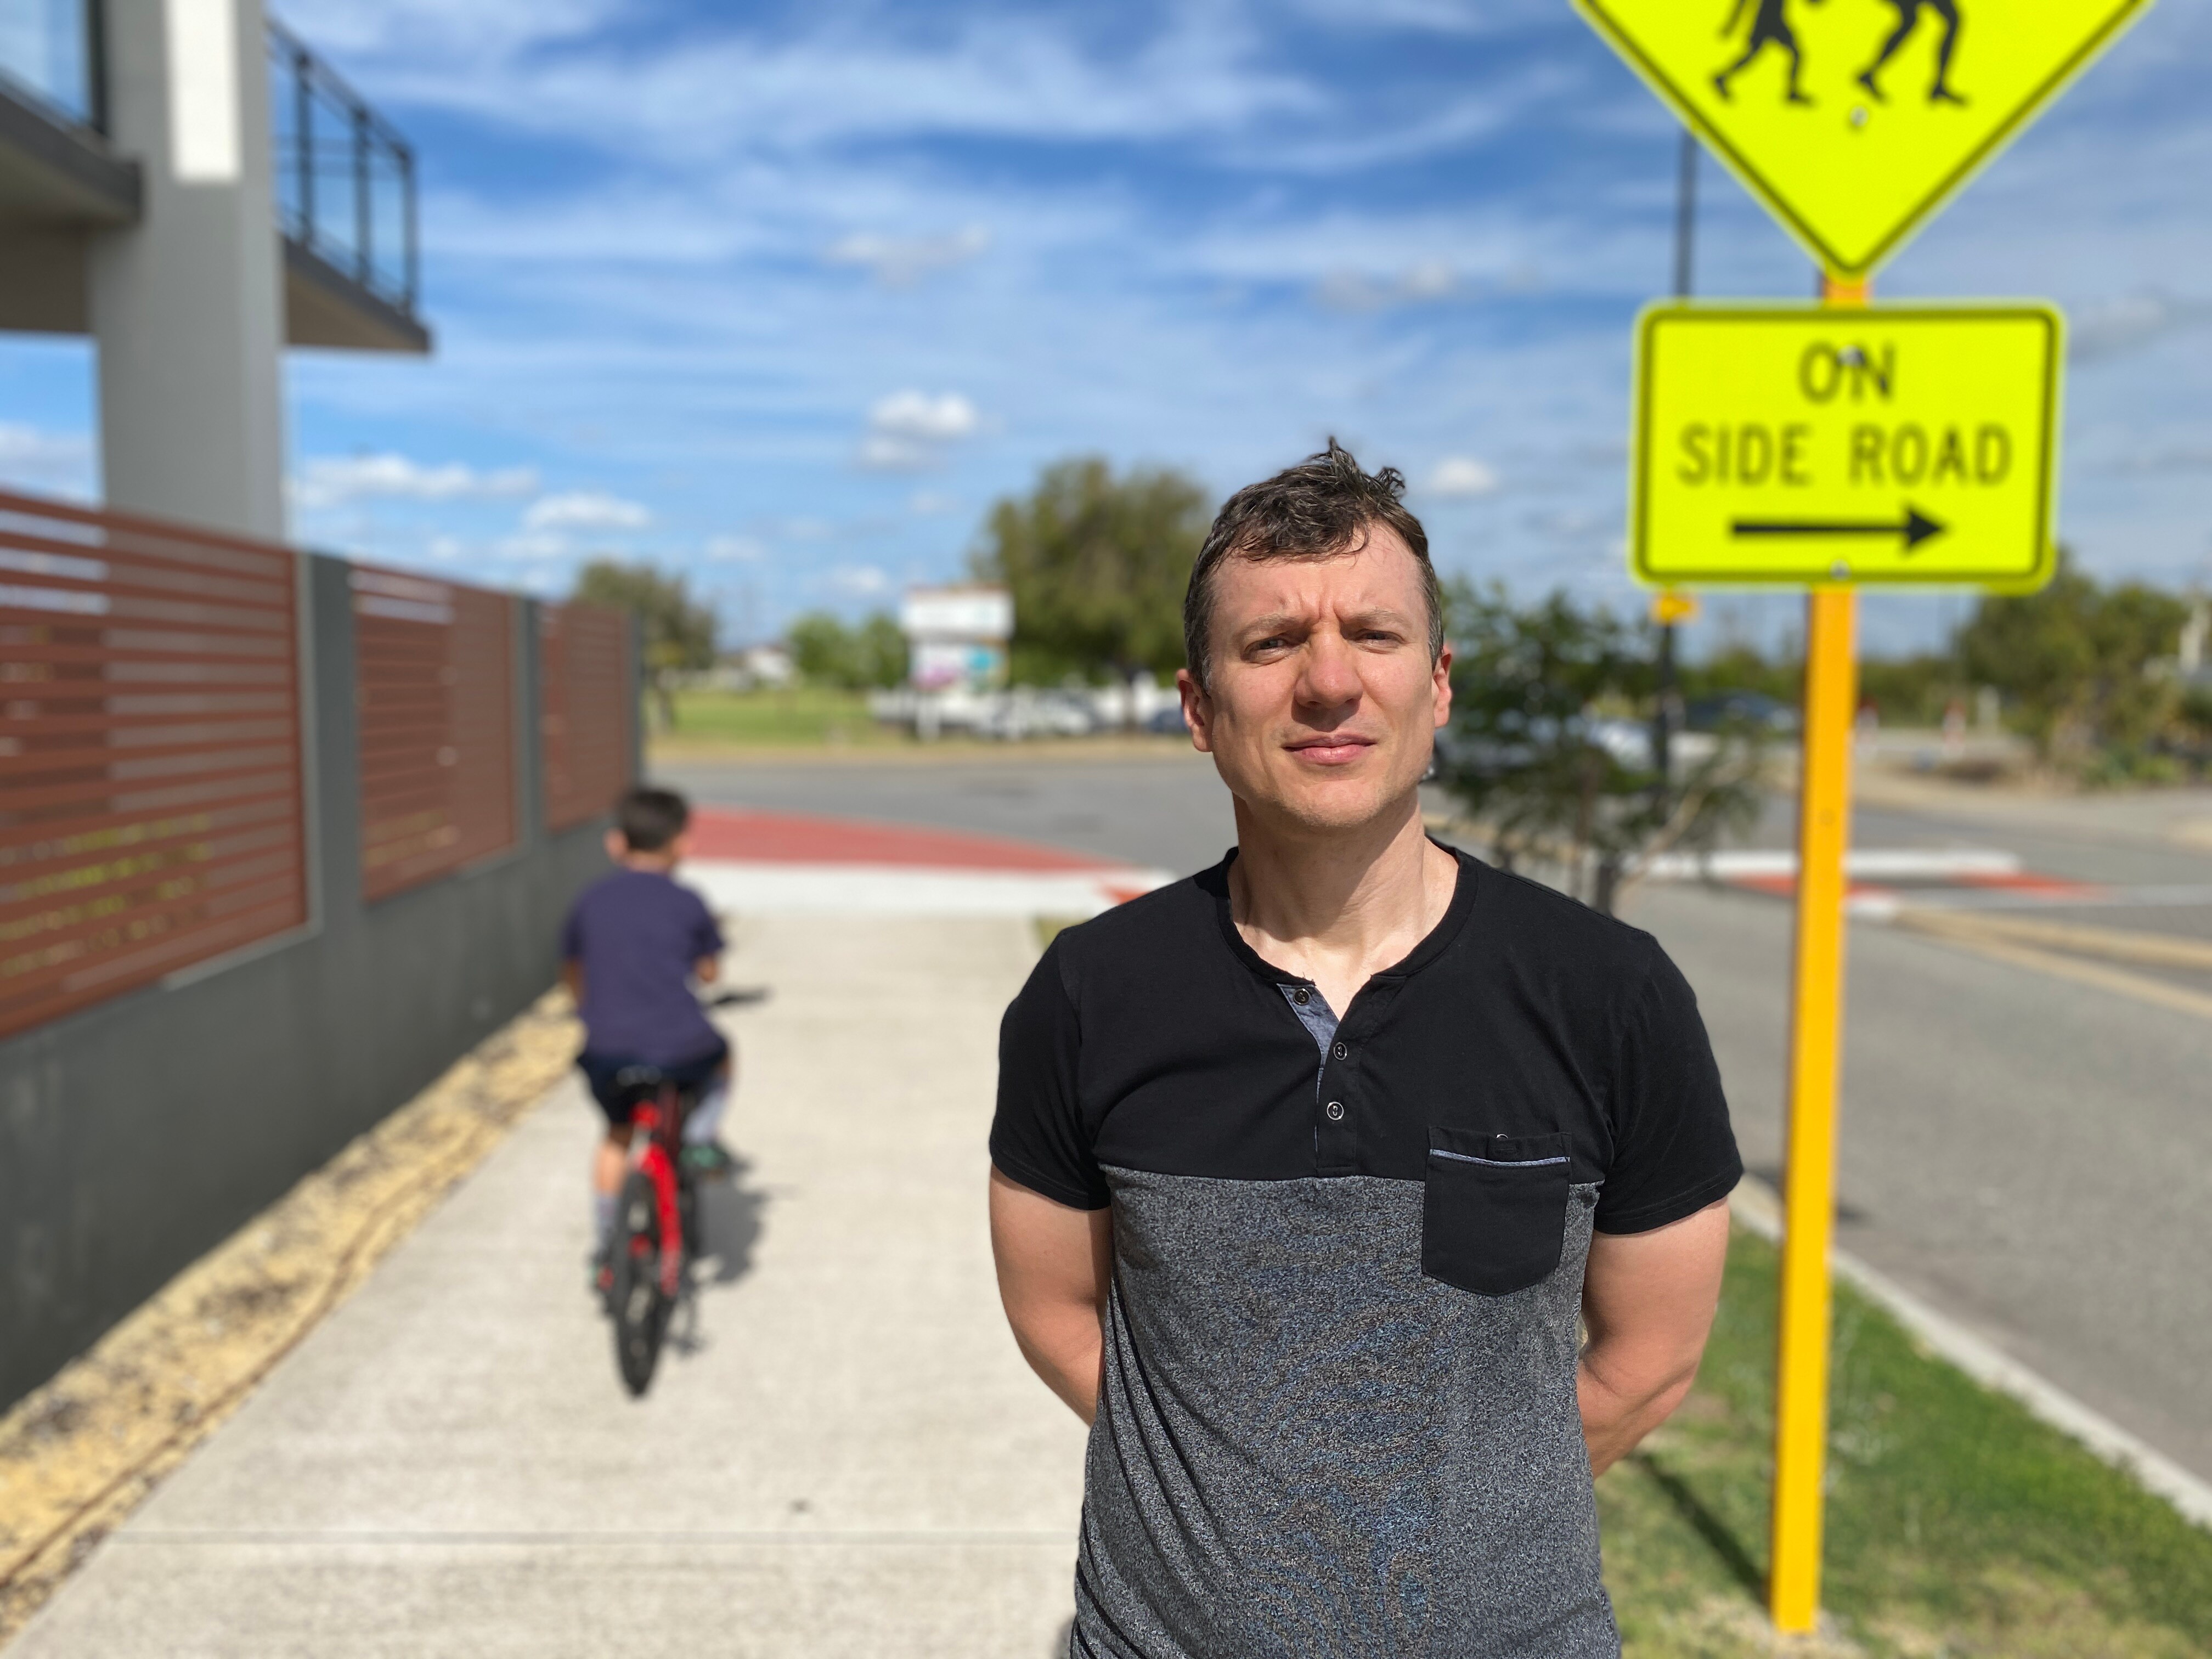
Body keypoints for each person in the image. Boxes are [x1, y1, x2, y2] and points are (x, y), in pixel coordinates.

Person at [988, 443, 1740, 1657]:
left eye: (1375, 638)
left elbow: (1650, 1363)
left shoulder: (1611, 997)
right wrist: (1252, 1511)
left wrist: (1465, 1527)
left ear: (1438, 687)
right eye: (1273, 644)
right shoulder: (1091, 993)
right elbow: (1060, 1315)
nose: (1328, 683)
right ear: (1199, 706)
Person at [561, 786, 735, 1291]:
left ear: (616, 844)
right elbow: (708, 974)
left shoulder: (589, 901)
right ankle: (701, 1135)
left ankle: (605, 1251)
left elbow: (573, 969)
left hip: (607, 1048)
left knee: (617, 1135)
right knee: (723, 1056)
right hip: (681, 1048)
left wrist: (585, 1008)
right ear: (681, 844)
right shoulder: (688, 901)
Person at [1713, 0, 1824, 105]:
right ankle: (1722, 77)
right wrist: (1731, 25)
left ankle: (1792, 92)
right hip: (1766, 21)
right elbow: (1743, 2)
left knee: (1795, 54)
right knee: (1752, 55)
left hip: (1776, 21)